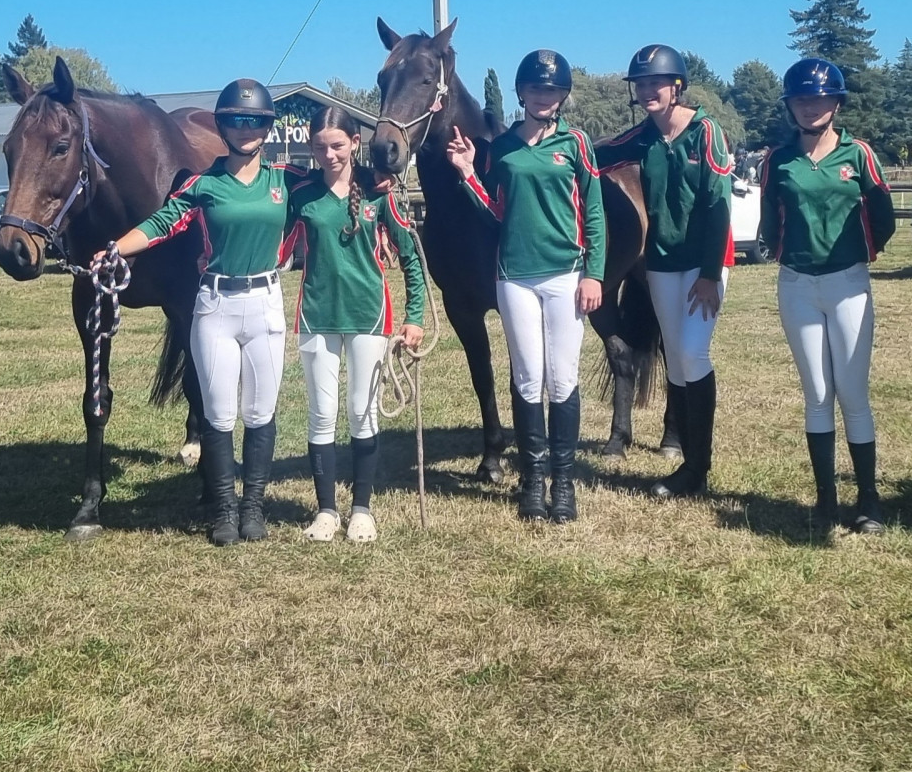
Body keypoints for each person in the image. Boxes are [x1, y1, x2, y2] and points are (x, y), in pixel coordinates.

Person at [97, 79, 291, 546]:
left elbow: (340, 185)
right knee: (219, 413)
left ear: (266, 129)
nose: (244, 128)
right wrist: (114, 250)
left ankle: (253, 507)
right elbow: (161, 223)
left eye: (254, 121)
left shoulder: (286, 181)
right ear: (222, 127)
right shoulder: (201, 184)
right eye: (235, 120)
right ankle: (224, 508)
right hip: (216, 305)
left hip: (265, 302)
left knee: (260, 411)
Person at [446, 49, 606, 524]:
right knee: (528, 378)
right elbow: (495, 212)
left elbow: (593, 213)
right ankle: (532, 481)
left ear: (561, 96)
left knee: (563, 379)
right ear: (522, 93)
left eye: (552, 90)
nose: (543, 96)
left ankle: (564, 482)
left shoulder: (577, 143)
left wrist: (594, 271)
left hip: (565, 275)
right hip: (514, 276)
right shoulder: (504, 147)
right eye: (536, 89)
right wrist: (469, 173)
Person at [756, 58, 897, 534]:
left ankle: (869, 501)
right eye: (801, 99)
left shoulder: (858, 155)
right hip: (797, 284)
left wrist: (859, 254)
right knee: (817, 393)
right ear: (790, 106)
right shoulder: (777, 159)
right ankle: (825, 500)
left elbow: (884, 215)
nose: (810, 107)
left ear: (836, 103)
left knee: (853, 393)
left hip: (847, 283)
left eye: (819, 99)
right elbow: (768, 219)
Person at [283, 106, 428, 543]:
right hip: (316, 316)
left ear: (355, 143)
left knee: (362, 415)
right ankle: (326, 511)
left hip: (370, 317)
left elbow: (411, 256)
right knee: (321, 415)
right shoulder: (301, 193)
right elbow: (268, 235)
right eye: (320, 147)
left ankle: (361, 509)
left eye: (337, 145)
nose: (329, 154)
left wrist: (415, 315)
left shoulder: (377, 190)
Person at [597, 45, 736, 501]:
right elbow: (593, 153)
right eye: (641, 85)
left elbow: (718, 206)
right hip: (660, 265)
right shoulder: (643, 137)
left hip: (704, 264)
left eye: (655, 83)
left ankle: (698, 467)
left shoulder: (706, 133)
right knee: (676, 358)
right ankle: (688, 465)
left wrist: (711, 273)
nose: (647, 91)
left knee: (693, 354)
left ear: (677, 86)